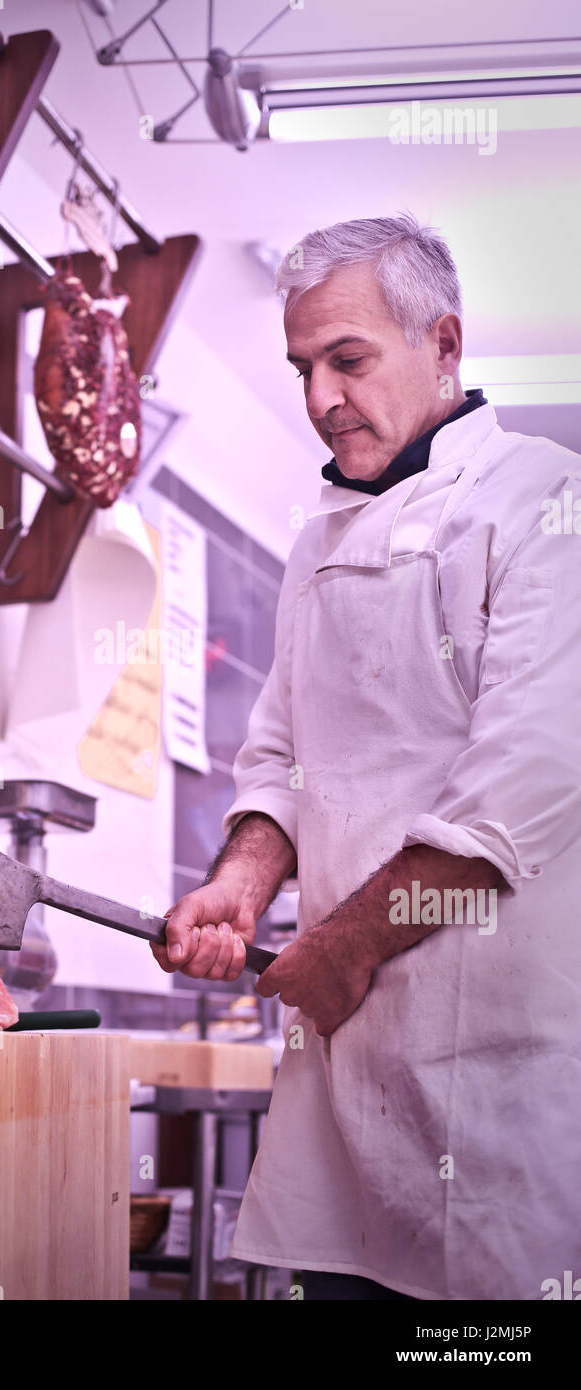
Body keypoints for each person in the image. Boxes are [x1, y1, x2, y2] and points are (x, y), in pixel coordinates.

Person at [152, 213, 581, 1301]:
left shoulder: (543, 501)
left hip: (499, 1089)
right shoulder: (316, 541)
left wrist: (342, 943)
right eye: (301, 368)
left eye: (347, 360)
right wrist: (239, 885)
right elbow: (277, 760)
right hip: (337, 1087)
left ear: (441, 345)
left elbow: (516, 793)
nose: (317, 399)